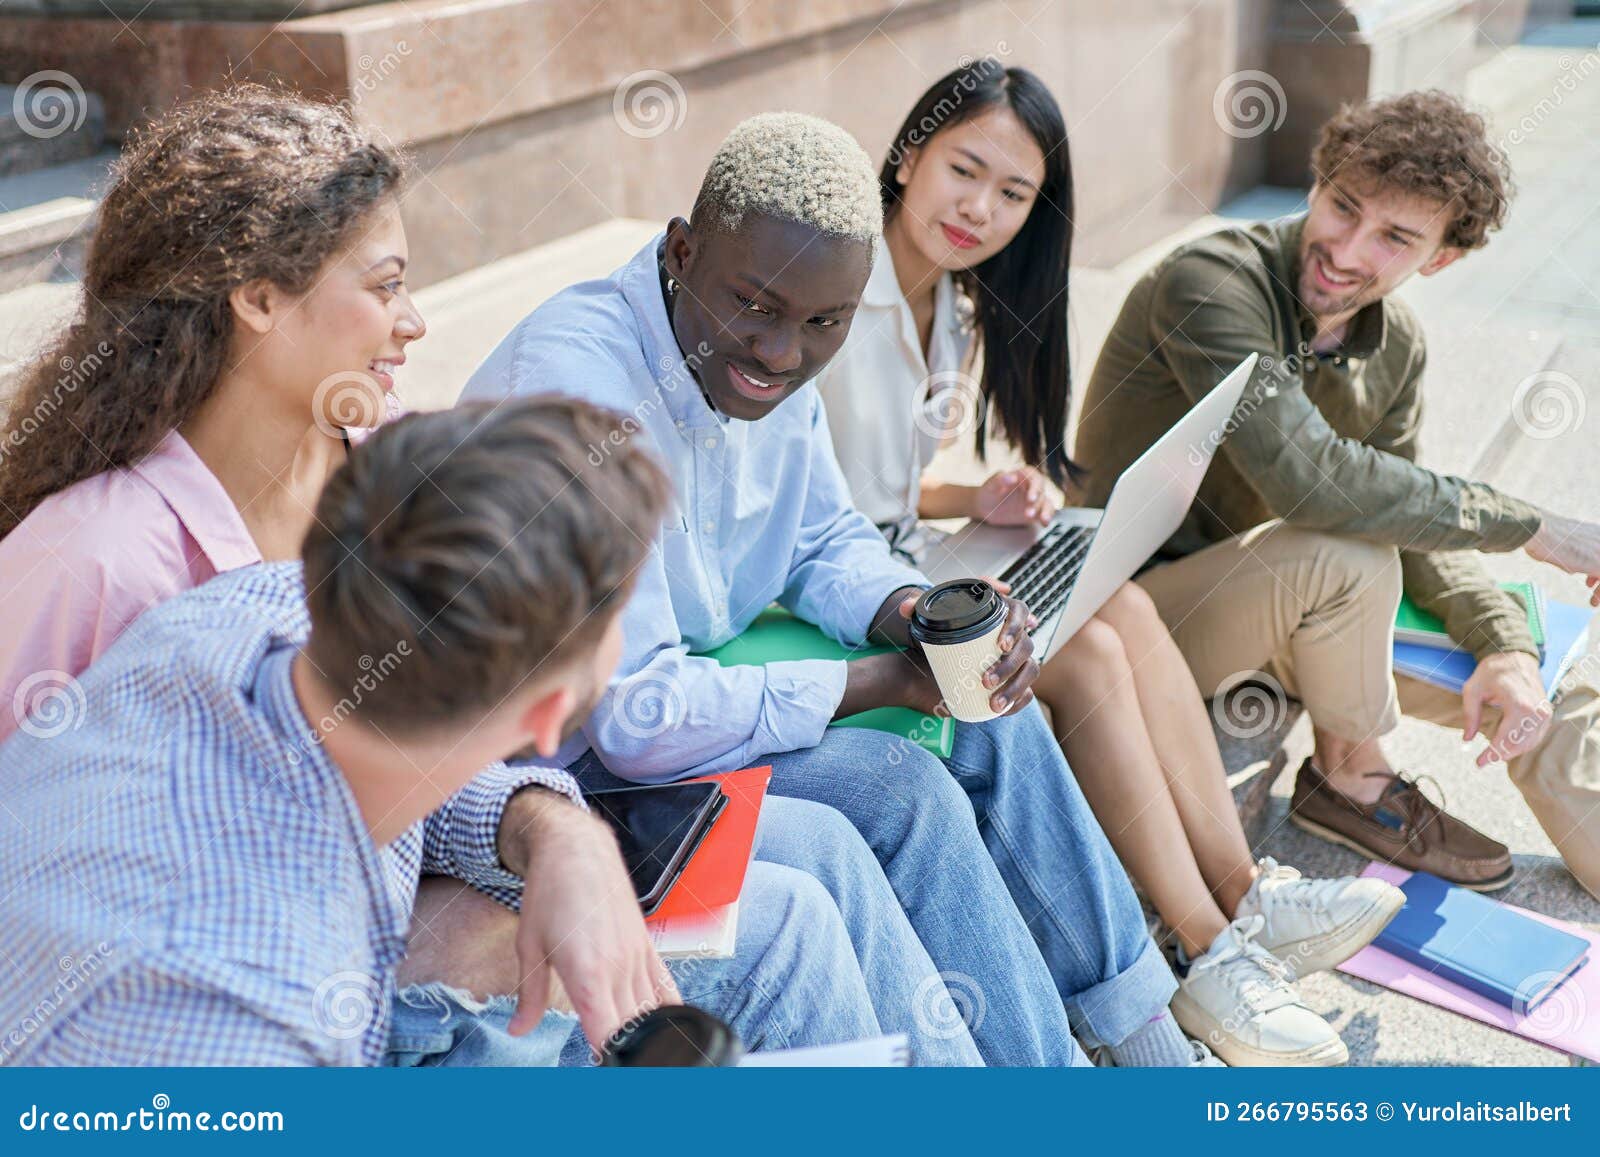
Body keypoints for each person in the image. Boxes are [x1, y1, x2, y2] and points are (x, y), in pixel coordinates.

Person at [0, 86, 985, 1066]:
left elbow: (383, 754)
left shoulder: (358, 493)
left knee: (817, 883)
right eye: (385, 285)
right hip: (287, 987)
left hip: (393, 886)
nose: (417, 322)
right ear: (258, 298)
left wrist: (544, 825)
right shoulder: (98, 559)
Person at [464, 111, 1221, 1068]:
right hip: (551, 782)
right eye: (756, 307)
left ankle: (1145, 1044)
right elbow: (634, 718)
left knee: (987, 706)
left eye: (824, 323)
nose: (783, 352)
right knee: (900, 789)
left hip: (662, 726)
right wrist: (875, 683)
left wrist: (916, 619)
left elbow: (821, 537)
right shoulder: (578, 393)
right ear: (683, 251)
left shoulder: (759, 350)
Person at [0, 399, 910, 1065]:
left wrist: (556, 830)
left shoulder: (259, 613)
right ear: (552, 713)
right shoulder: (256, 1018)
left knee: (787, 919)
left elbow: (412, 748)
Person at [811, 61, 1405, 1066]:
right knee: (1083, 651)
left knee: (1119, 603)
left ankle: (1245, 898)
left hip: (904, 558)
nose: (982, 209)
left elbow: (873, 481)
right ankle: (1208, 954)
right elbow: (804, 505)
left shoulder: (953, 308)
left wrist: (973, 498)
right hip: (844, 601)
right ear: (907, 155)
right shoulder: (828, 291)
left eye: (1014, 193)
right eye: (964, 170)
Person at [1075, 89, 1600, 901]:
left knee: (1548, 683)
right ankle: (1352, 778)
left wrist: (1503, 646)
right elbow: (1311, 480)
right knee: (1347, 555)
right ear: (1316, 184)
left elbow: (1405, 512)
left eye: (1395, 237)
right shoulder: (1210, 283)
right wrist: (1532, 526)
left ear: (1439, 260)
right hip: (1131, 619)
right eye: (1344, 206)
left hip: (1288, 610)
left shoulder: (1395, 345)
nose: (1347, 250)